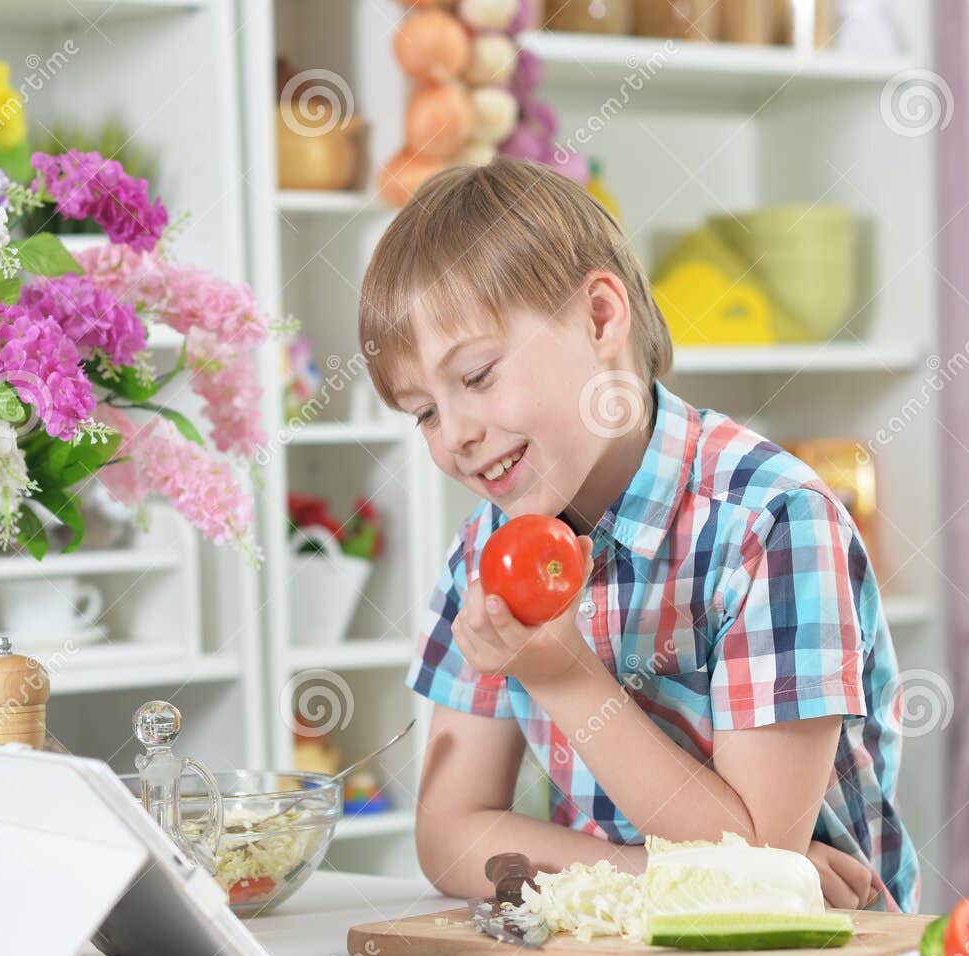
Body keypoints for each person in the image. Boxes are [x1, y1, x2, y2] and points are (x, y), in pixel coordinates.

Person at [356, 157, 917, 912]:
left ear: (599, 319)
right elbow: (450, 835)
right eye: (422, 410)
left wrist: (563, 676)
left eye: (479, 374)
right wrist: (648, 878)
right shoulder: (486, 554)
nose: (454, 434)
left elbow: (756, 884)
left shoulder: (771, 523)